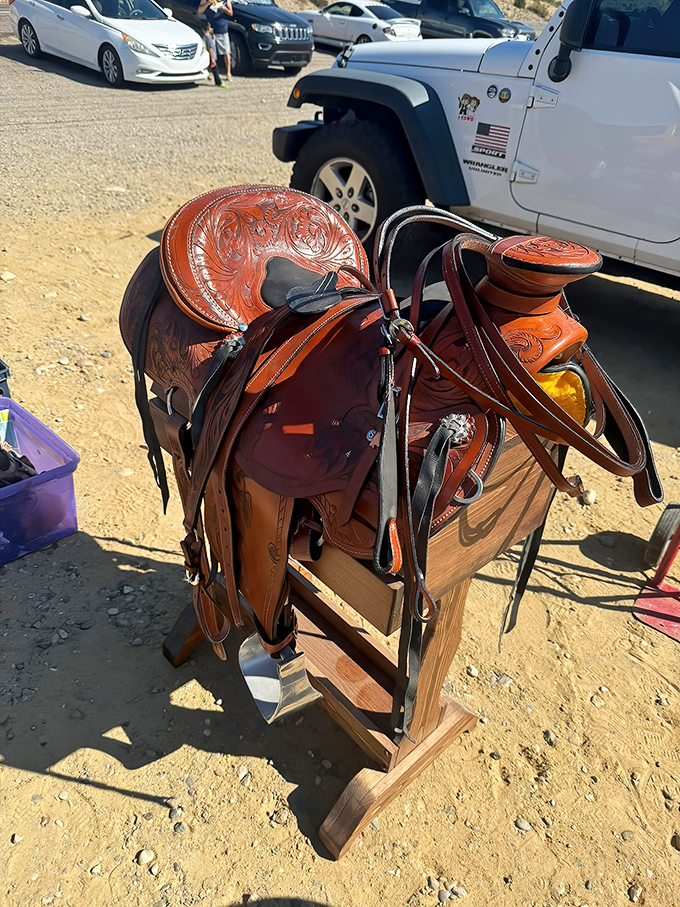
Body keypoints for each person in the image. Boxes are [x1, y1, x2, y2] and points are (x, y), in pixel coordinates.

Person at [198, 0, 233, 81]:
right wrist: (208, 3)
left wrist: (223, 8)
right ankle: (209, 72)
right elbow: (200, 10)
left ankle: (228, 73)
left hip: (222, 29)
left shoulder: (226, 1)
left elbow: (231, 13)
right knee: (210, 52)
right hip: (210, 29)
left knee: (226, 51)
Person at [201, 21, 227, 88]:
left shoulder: (207, 36)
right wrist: (212, 58)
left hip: (210, 57)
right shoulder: (207, 37)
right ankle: (219, 82)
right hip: (212, 57)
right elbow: (210, 48)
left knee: (212, 69)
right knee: (215, 70)